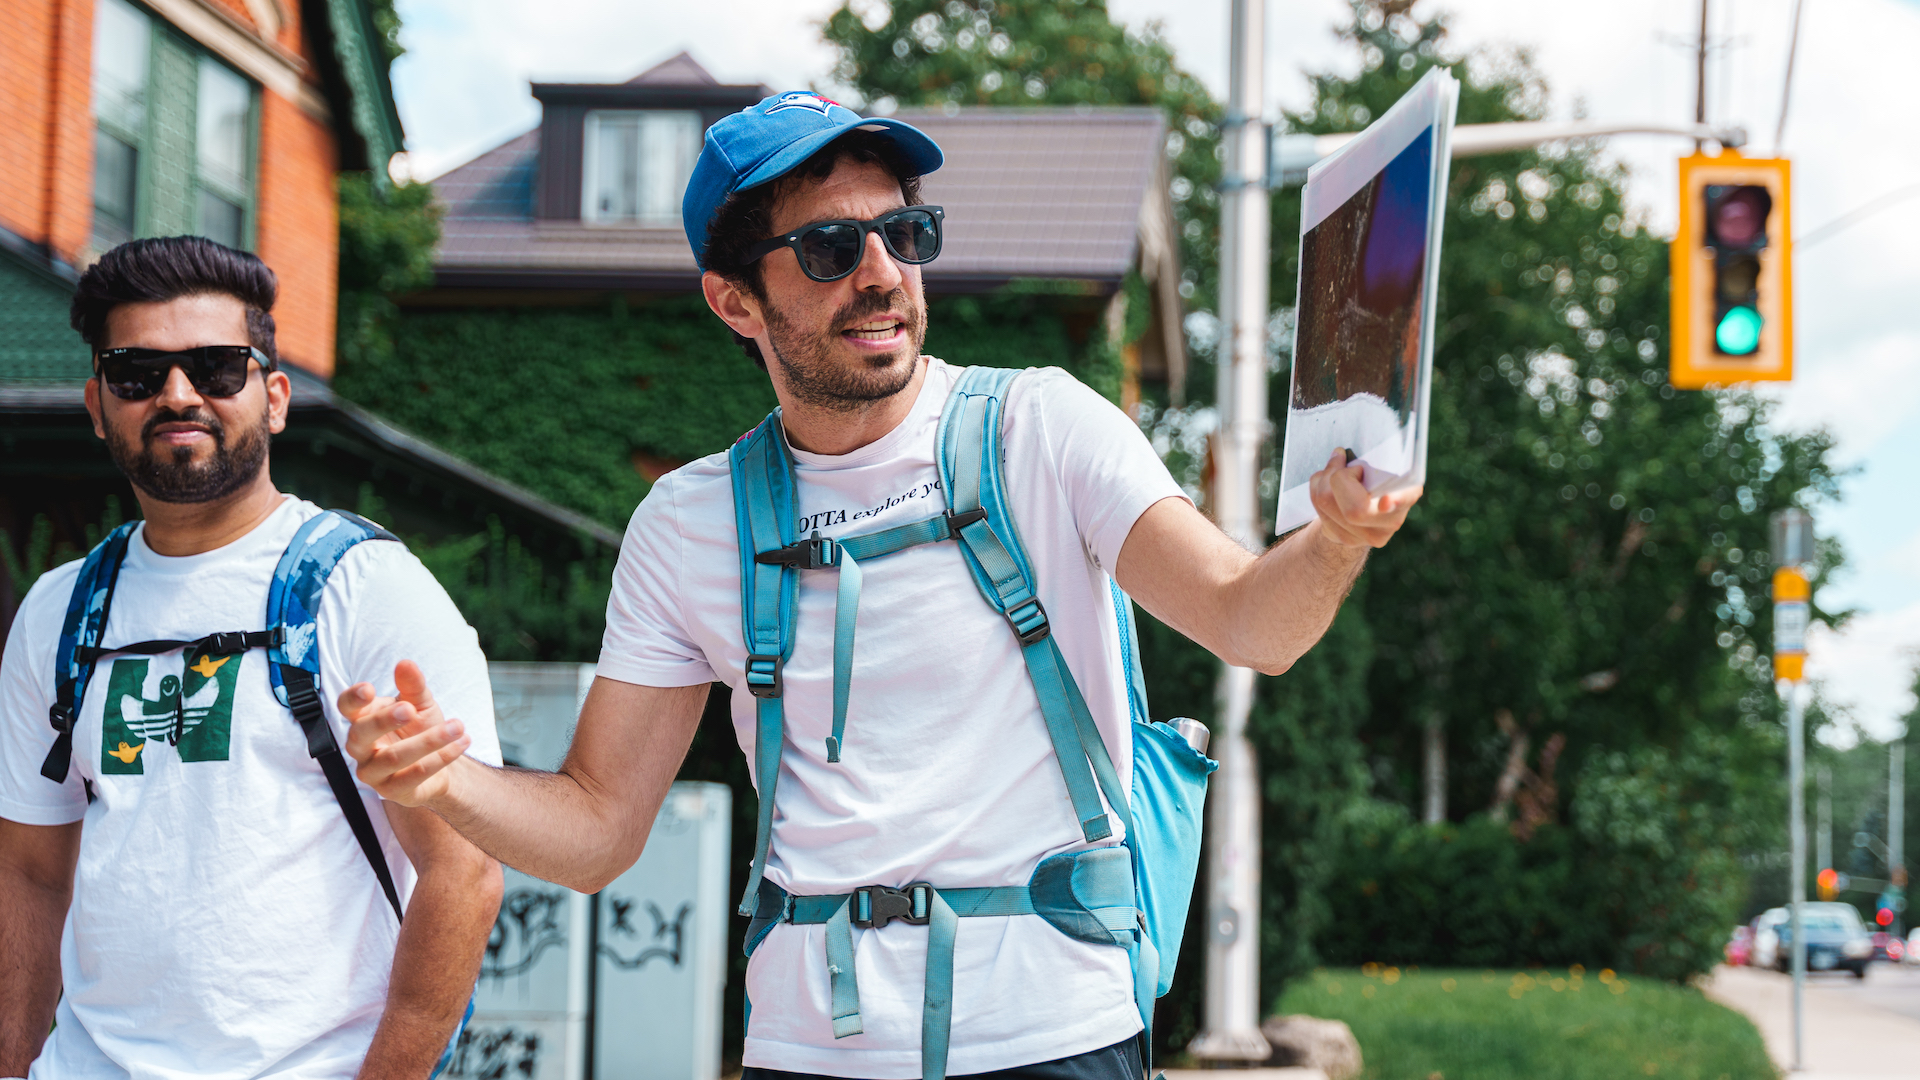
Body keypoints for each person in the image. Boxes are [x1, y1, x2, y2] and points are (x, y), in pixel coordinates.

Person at [340, 93, 1417, 1080]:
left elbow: (1245, 621)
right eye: (827, 246)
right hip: (811, 1051)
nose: (882, 272)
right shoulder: (689, 522)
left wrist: (1334, 540)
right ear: (734, 301)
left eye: (904, 234)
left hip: (1055, 1036)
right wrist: (443, 786)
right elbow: (597, 830)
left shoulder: (1041, 428)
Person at [0, 237, 505, 1080]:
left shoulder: (364, 589)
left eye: (216, 368)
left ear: (273, 397)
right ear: (97, 405)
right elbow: (29, 871)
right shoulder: (58, 610)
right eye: (136, 373)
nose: (177, 394)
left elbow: (464, 874)